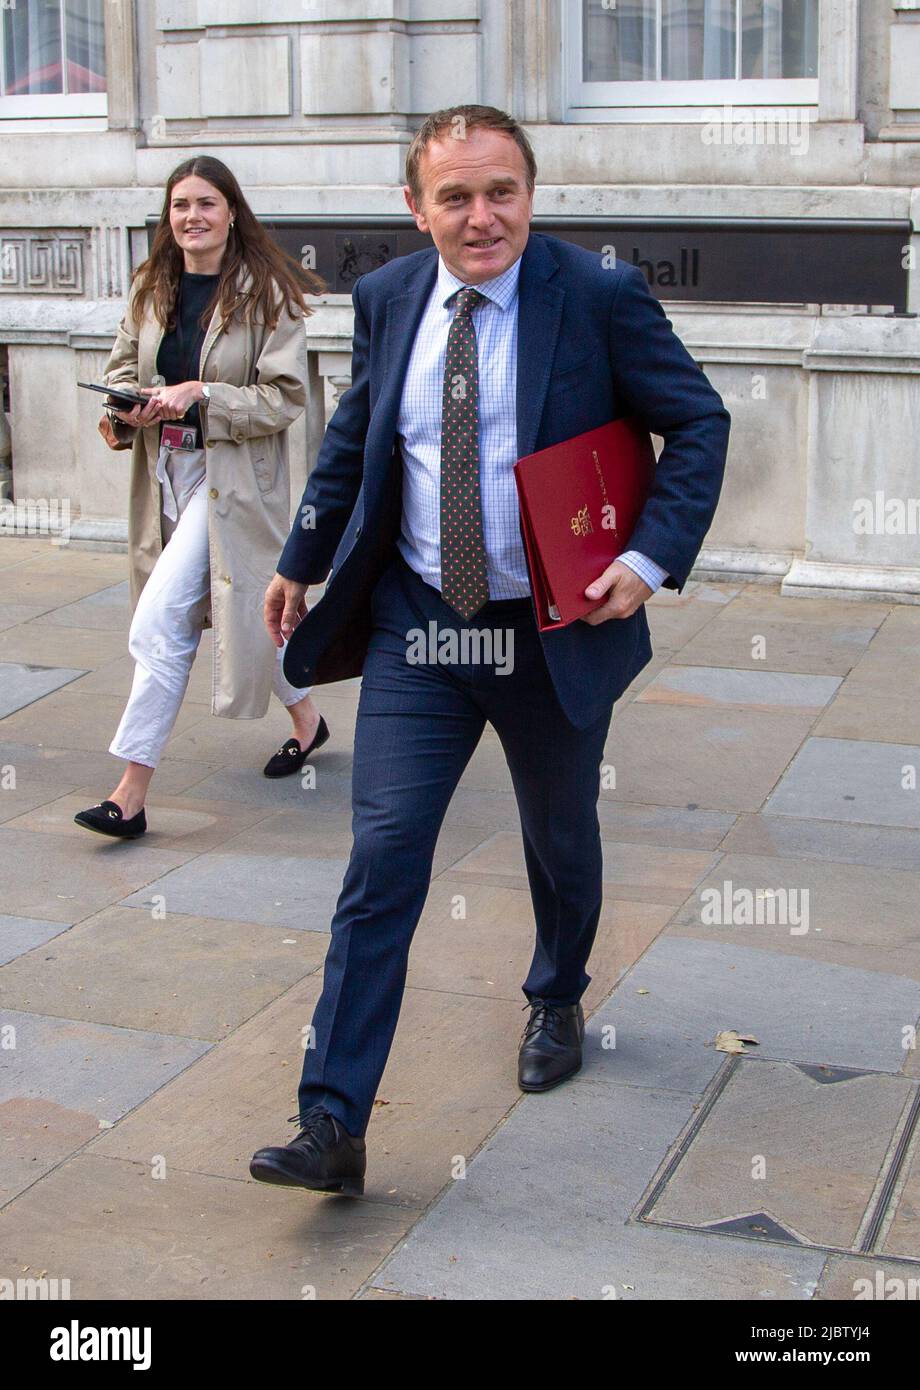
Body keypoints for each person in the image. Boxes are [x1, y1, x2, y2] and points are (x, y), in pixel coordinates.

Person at [250, 105, 731, 1197]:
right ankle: (331, 1118)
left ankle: (555, 989)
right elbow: (356, 439)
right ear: (414, 208)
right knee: (381, 859)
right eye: (455, 196)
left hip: (550, 626)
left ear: (530, 193)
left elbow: (695, 422)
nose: (482, 217)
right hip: (420, 623)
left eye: (500, 191)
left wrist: (648, 560)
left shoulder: (595, 295)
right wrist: (302, 554)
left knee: (558, 834)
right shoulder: (385, 300)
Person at [75, 156, 330, 840]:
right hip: (164, 474)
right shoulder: (149, 287)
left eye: (206, 204)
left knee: (159, 623)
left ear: (231, 212)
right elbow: (121, 370)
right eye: (181, 204)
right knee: (246, 607)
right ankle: (308, 719)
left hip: (235, 483)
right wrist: (126, 409)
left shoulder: (266, 293)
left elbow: (285, 399)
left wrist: (203, 393)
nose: (192, 216)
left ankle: (129, 793)